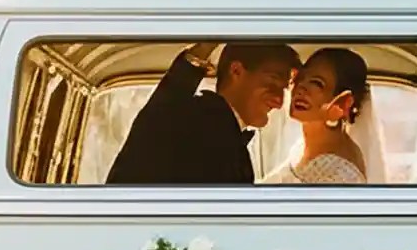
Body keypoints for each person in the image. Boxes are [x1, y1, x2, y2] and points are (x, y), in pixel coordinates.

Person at [105, 42, 301, 184]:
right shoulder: (186, 121)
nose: (278, 101)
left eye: (283, 89)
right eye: (272, 83)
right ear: (236, 71)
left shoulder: (221, 134)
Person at [259, 47, 388, 184]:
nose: (301, 87)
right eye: (299, 78)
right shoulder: (303, 146)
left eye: (317, 83)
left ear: (342, 102)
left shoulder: (340, 177)